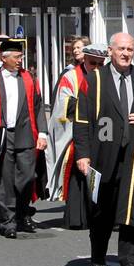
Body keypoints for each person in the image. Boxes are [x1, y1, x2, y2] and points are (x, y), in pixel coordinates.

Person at [73, 31, 134, 266]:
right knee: (103, 209)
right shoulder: (94, 80)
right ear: (111, 51)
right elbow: (81, 121)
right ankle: (98, 255)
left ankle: (130, 262)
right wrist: (83, 154)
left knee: (133, 210)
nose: (126, 54)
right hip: (104, 153)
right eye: (121, 49)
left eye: (130, 50)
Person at [0, 39, 49, 238]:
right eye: (16, 57)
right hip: (3, 135)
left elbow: (38, 107)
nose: (20, 61)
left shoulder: (29, 78)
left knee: (27, 177)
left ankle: (23, 213)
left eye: (21, 57)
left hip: (26, 134)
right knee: (5, 181)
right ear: (4, 58)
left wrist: (42, 133)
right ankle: (8, 221)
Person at [49, 42, 104, 228]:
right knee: (78, 175)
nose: (96, 68)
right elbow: (63, 104)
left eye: (100, 64)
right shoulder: (71, 76)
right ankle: (77, 217)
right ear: (85, 61)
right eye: (92, 63)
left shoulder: (108, 78)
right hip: (76, 133)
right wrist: (87, 105)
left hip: (102, 134)